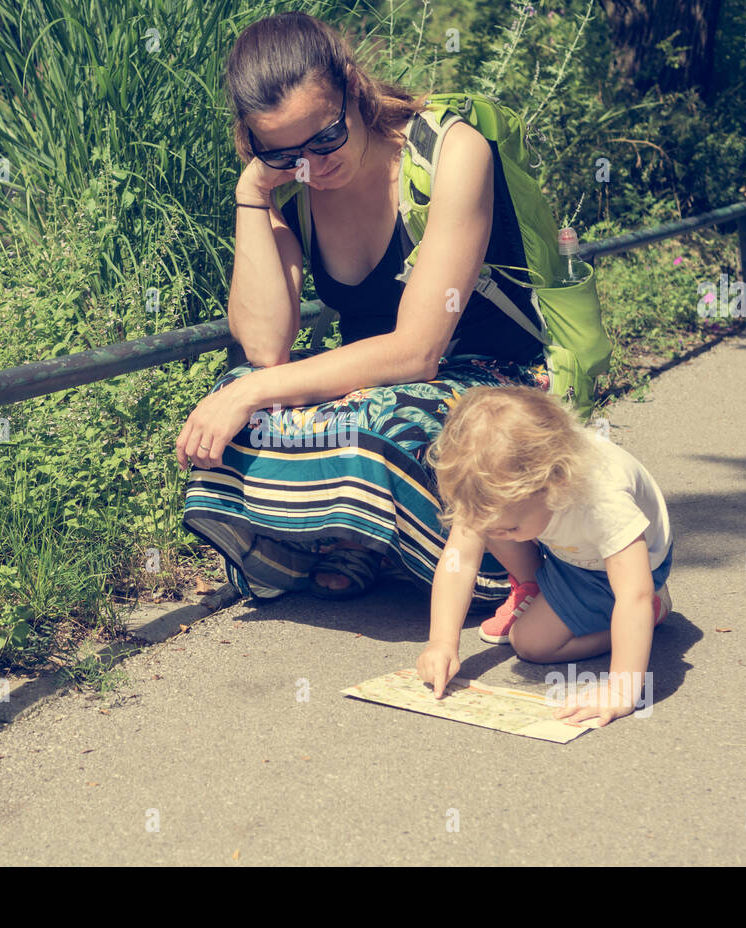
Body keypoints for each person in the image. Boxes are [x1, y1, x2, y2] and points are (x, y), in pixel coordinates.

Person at [178, 11, 552, 604]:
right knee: (242, 383)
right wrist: (252, 194)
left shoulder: (451, 151)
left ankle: (488, 558)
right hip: (375, 380)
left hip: (493, 386)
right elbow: (265, 347)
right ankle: (361, 536)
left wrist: (250, 394)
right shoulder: (291, 185)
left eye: (326, 137)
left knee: (370, 421)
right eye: (285, 153)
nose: (314, 166)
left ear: (354, 87)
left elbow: (417, 351)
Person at [415, 385, 674, 727]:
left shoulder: (602, 497)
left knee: (532, 644)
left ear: (552, 485)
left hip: (621, 570)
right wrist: (442, 642)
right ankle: (533, 587)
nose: (497, 537)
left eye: (509, 527)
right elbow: (459, 559)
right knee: (487, 525)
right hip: (572, 552)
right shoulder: (497, 486)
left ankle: (653, 613)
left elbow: (633, 592)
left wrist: (621, 690)